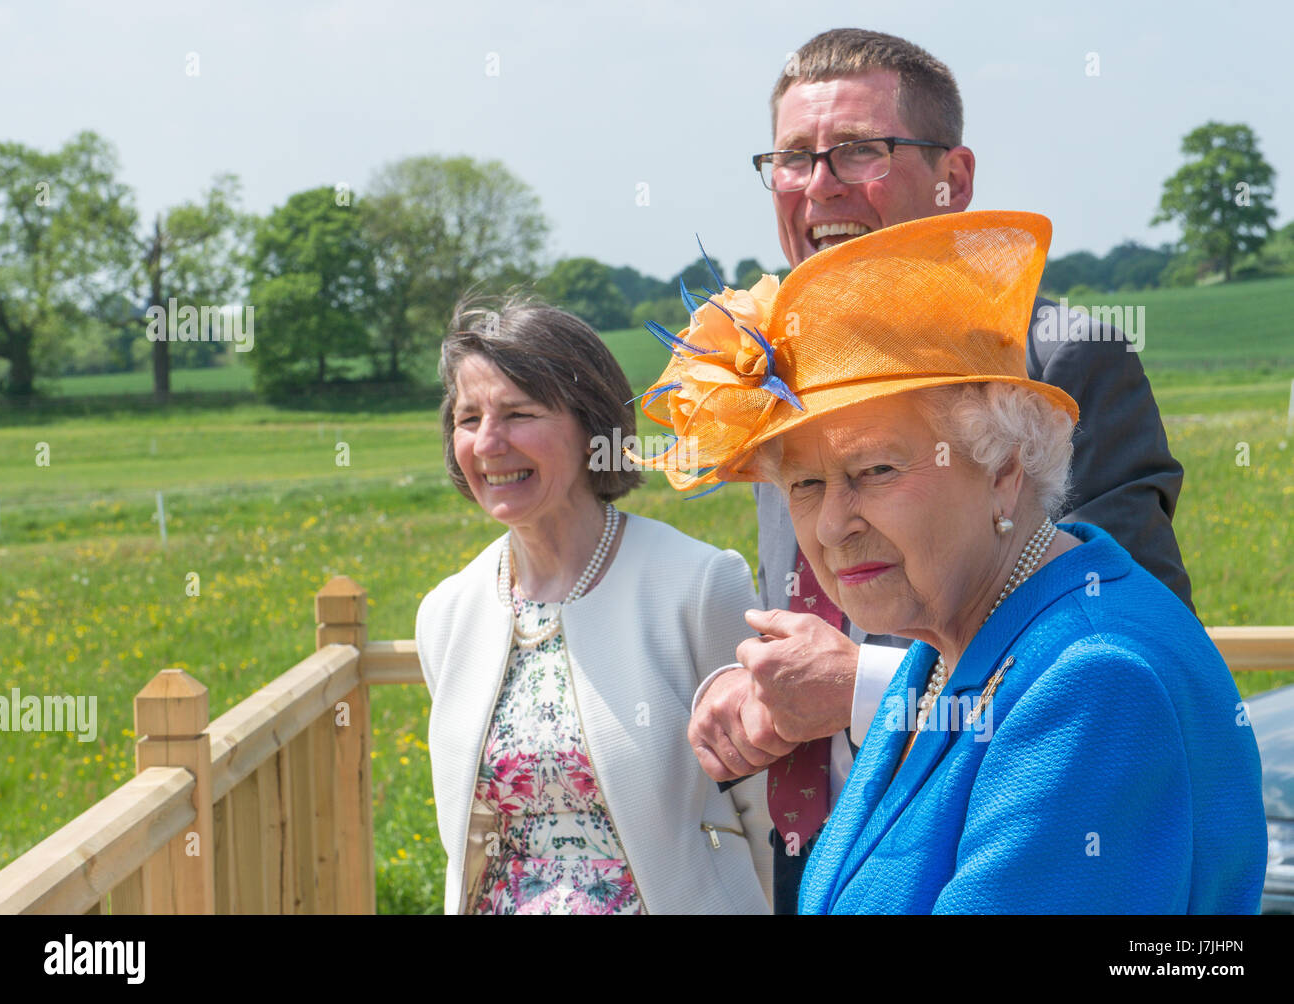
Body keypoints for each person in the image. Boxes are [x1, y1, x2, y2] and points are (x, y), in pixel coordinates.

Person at [688, 27, 1195, 912]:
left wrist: (860, 692)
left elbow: (1122, 668)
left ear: (954, 180)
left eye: (858, 152)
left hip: (1000, 833)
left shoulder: (1061, 360)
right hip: (815, 848)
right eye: (794, 158)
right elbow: (818, 607)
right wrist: (754, 686)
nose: (819, 184)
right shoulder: (782, 375)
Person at [636, 210, 1266, 912]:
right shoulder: (955, 637)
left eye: (873, 469)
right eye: (805, 485)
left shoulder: (1091, 681)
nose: (834, 523)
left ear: (1003, 467)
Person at [414, 295, 772, 915]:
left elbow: (765, 808)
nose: (489, 442)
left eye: (518, 413)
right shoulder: (447, 615)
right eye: (468, 419)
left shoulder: (698, 584)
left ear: (591, 429)